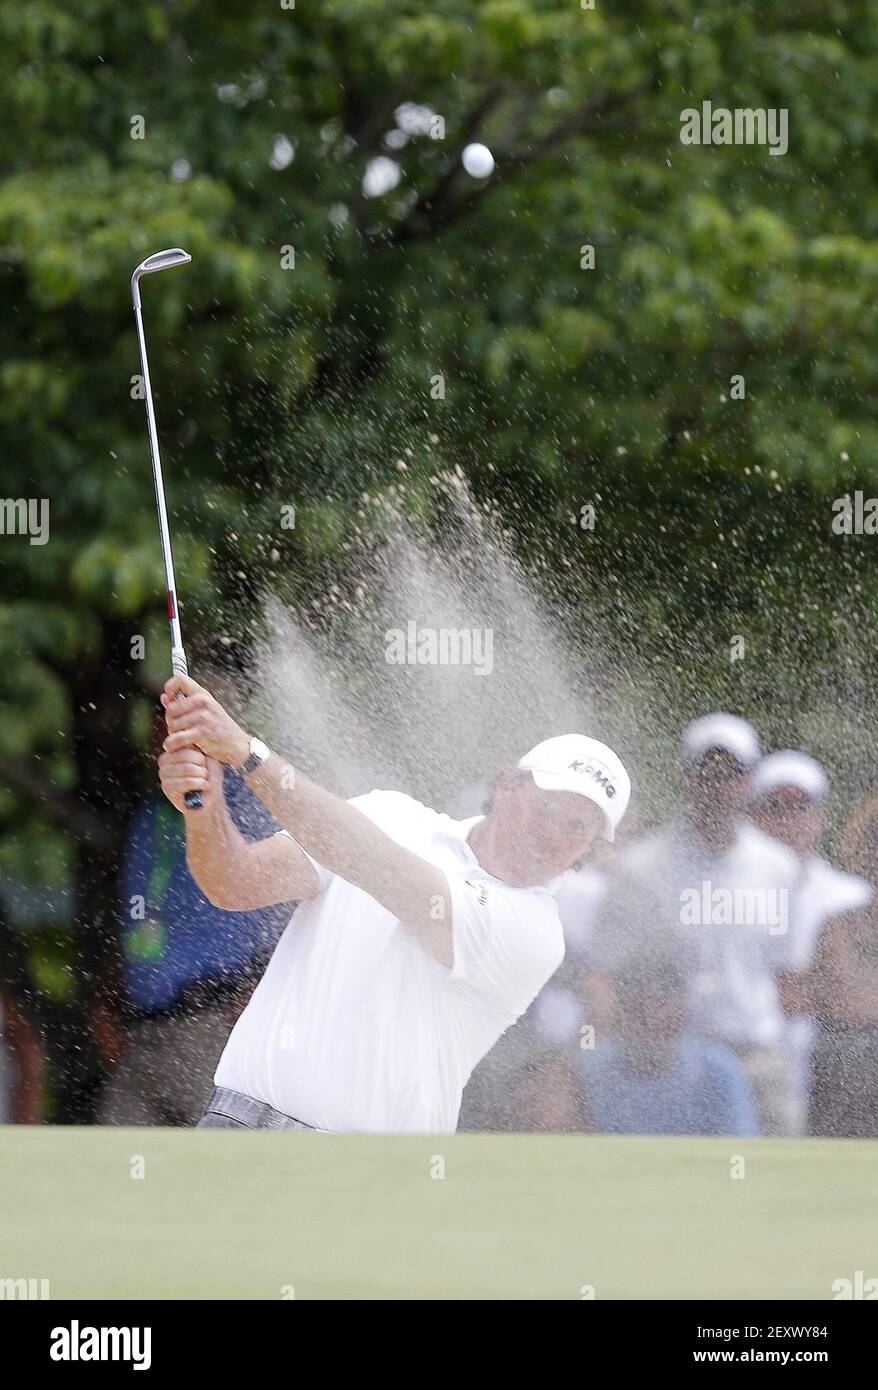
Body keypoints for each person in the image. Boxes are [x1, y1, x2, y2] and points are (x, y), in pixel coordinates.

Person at [157, 673, 631, 1133]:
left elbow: (371, 862)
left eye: (578, 828)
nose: (554, 833)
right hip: (239, 1120)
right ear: (507, 784)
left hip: (372, 1172)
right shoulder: (388, 812)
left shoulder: (535, 932)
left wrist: (245, 750)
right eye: (549, 807)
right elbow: (236, 882)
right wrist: (203, 804)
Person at [586, 713, 798, 1135]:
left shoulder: (778, 866)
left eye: (732, 773)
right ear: (688, 776)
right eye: (708, 772)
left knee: (774, 1182)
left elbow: (785, 970)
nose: (719, 786)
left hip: (756, 1052)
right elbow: (606, 972)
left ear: (751, 780)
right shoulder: (640, 868)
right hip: (669, 1058)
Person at [98, 711, 290, 1127]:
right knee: (119, 1166)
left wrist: (266, 988)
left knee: (224, 1170)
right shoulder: (149, 814)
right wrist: (111, 996)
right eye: (160, 739)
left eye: (176, 737)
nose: (164, 748)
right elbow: (139, 916)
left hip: (213, 1023)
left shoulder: (246, 802)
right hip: (144, 1030)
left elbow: (287, 904)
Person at [749, 750, 872, 1133]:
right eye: (775, 806)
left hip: (839, 1075)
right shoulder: (722, 891)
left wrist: (813, 991)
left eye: (800, 805)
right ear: (753, 813)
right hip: (754, 1064)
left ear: (821, 817)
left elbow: (849, 997)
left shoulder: (852, 895)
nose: (788, 819)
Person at [581, 954, 759, 1136]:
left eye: (659, 1006)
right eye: (637, 1009)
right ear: (619, 1012)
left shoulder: (716, 1071)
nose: (649, 1019)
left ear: (681, 1012)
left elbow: (739, 1146)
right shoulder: (595, 1072)